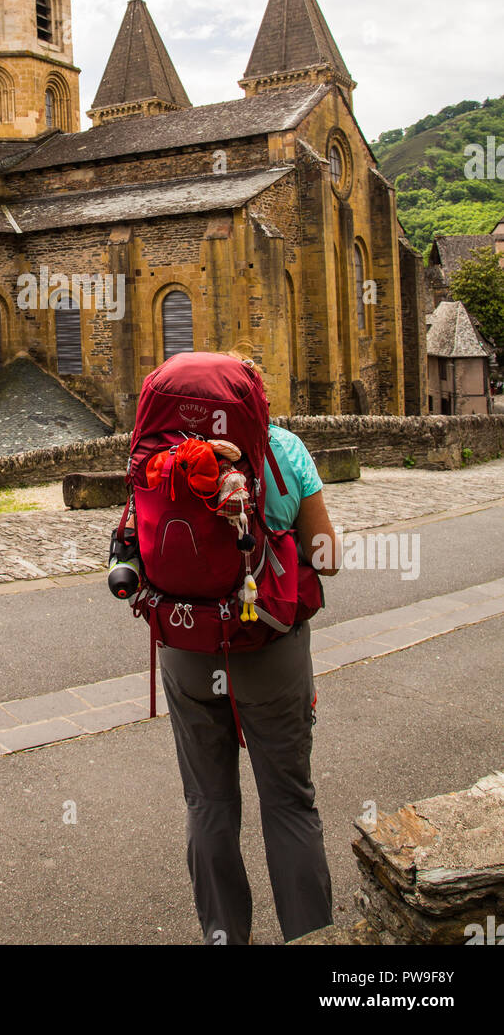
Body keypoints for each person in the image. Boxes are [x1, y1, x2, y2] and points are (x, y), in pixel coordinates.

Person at [157, 354, 341, 946]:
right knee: (289, 803)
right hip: (268, 642)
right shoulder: (283, 448)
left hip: (186, 643)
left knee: (208, 803)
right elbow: (327, 559)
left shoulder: (167, 454)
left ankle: (225, 938)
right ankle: (311, 942)